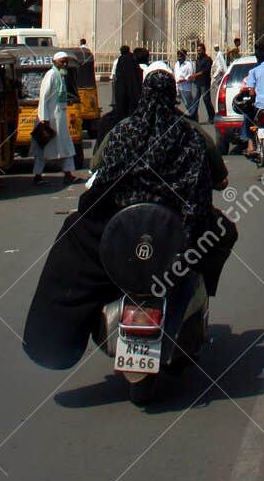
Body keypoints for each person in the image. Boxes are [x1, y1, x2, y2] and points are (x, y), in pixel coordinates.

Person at [22, 66, 237, 371]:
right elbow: (203, 190)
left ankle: (56, 338)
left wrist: (92, 206)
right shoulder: (190, 135)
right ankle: (198, 287)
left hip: (125, 226)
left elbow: (102, 177)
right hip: (173, 231)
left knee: (73, 236)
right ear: (172, 97)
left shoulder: (123, 131)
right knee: (223, 232)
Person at [32, 50, 80, 186]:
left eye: (66, 62)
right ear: (55, 62)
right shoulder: (51, 75)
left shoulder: (61, 76)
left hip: (59, 118)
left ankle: (68, 174)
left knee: (65, 147)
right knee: (44, 147)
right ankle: (38, 175)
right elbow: (43, 98)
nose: (65, 64)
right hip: (50, 119)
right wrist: (44, 119)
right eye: (62, 61)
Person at [186, 41, 214, 123]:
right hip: (197, 82)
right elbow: (196, 70)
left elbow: (204, 71)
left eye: (200, 50)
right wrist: (194, 77)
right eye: (197, 50)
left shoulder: (208, 59)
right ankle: (193, 116)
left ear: (204, 50)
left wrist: (194, 75)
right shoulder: (198, 60)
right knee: (196, 100)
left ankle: (212, 116)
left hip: (205, 83)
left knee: (206, 100)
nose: (198, 52)